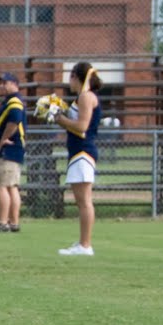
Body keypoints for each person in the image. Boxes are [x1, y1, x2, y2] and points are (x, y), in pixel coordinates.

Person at [50, 61, 103, 256]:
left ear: (76, 77)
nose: (69, 82)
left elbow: (82, 127)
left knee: (84, 201)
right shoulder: (82, 97)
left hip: (83, 152)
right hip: (77, 152)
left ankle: (85, 245)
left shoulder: (86, 97)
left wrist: (59, 119)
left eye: (70, 77)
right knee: (82, 201)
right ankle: (83, 242)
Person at [0, 72, 25, 232]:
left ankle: (3, 222)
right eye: (1, 83)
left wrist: (2, 140)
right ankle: (13, 222)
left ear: (15, 84)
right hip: (14, 150)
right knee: (11, 186)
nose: (2, 86)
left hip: (7, 150)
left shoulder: (14, 101)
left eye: (5, 83)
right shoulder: (10, 101)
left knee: (2, 186)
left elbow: (14, 120)